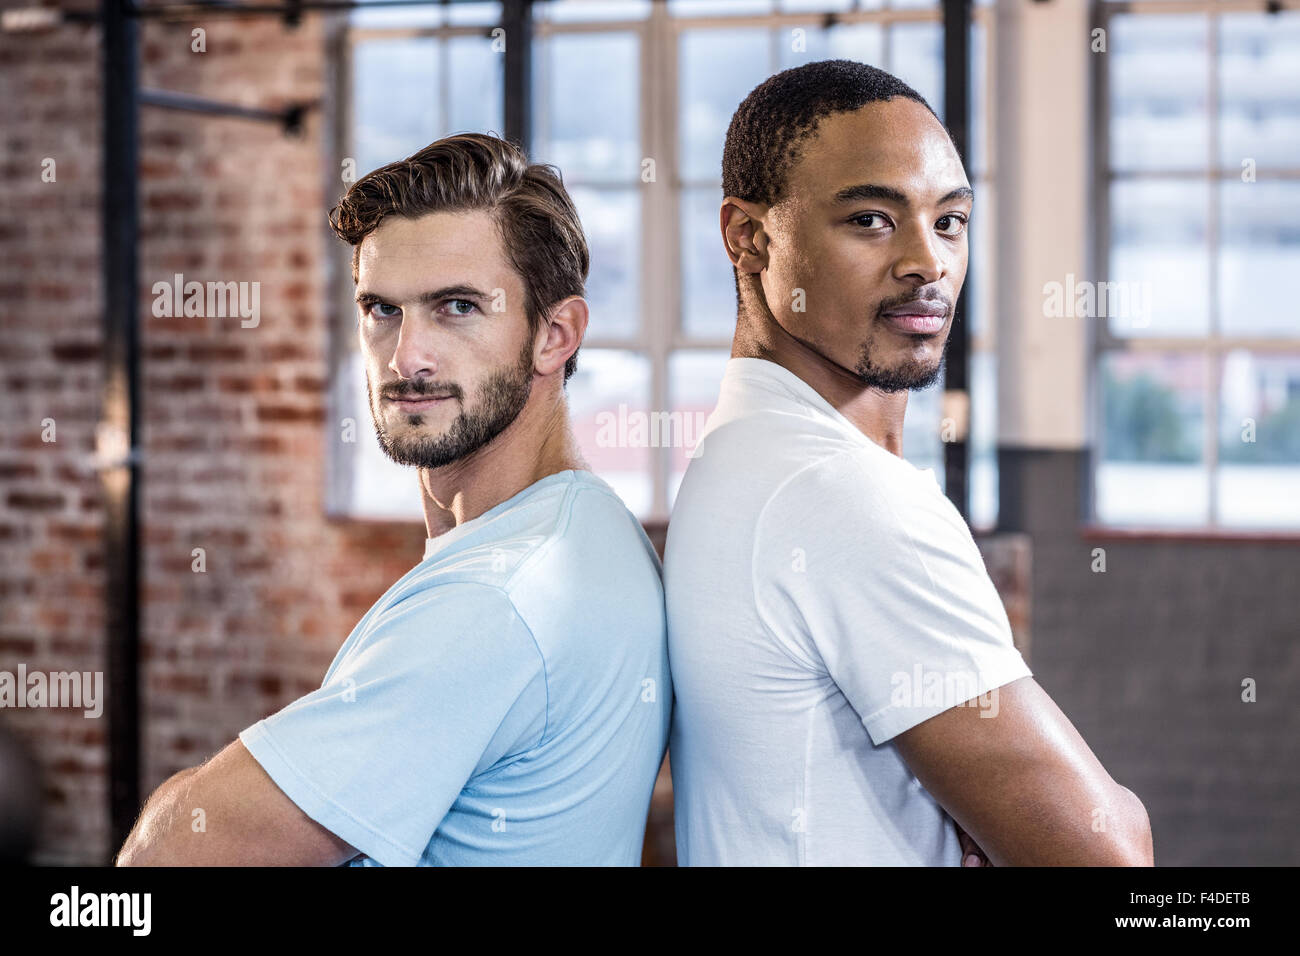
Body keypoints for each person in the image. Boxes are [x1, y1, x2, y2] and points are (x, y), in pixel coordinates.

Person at [117, 133, 670, 866]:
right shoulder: (589, 524)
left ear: (555, 334)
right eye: (382, 310)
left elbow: (165, 862)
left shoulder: (493, 601)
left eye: (458, 307)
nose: (407, 357)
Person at [664, 60, 1152, 866]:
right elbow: (1110, 854)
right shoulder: (841, 495)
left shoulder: (743, 450)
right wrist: (1107, 810)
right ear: (749, 238)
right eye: (870, 220)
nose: (928, 262)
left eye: (951, 221)